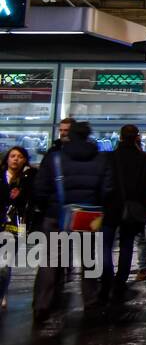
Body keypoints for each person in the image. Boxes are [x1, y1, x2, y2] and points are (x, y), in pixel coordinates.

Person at [31, 121, 114, 325]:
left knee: (50, 261)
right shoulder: (101, 159)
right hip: (88, 215)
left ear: (70, 136)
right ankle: (91, 301)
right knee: (88, 260)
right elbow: (108, 190)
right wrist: (96, 205)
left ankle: (43, 304)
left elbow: (40, 189)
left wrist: (44, 207)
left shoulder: (55, 157)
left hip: (56, 214)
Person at [102, 126, 146, 305]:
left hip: (111, 207)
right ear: (136, 138)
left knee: (106, 244)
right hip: (134, 208)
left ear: (121, 137)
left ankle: (107, 274)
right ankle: (121, 277)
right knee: (127, 244)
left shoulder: (110, 157)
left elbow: (105, 182)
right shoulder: (144, 159)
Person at [2, 146, 37, 310]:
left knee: (5, 263)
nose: (15, 159)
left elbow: (31, 201)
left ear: (25, 160)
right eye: (12, 156)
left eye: (20, 156)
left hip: (17, 226)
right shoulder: (2, 176)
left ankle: (2, 290)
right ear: (7, 159)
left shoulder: (29, 179)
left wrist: (21, 194)